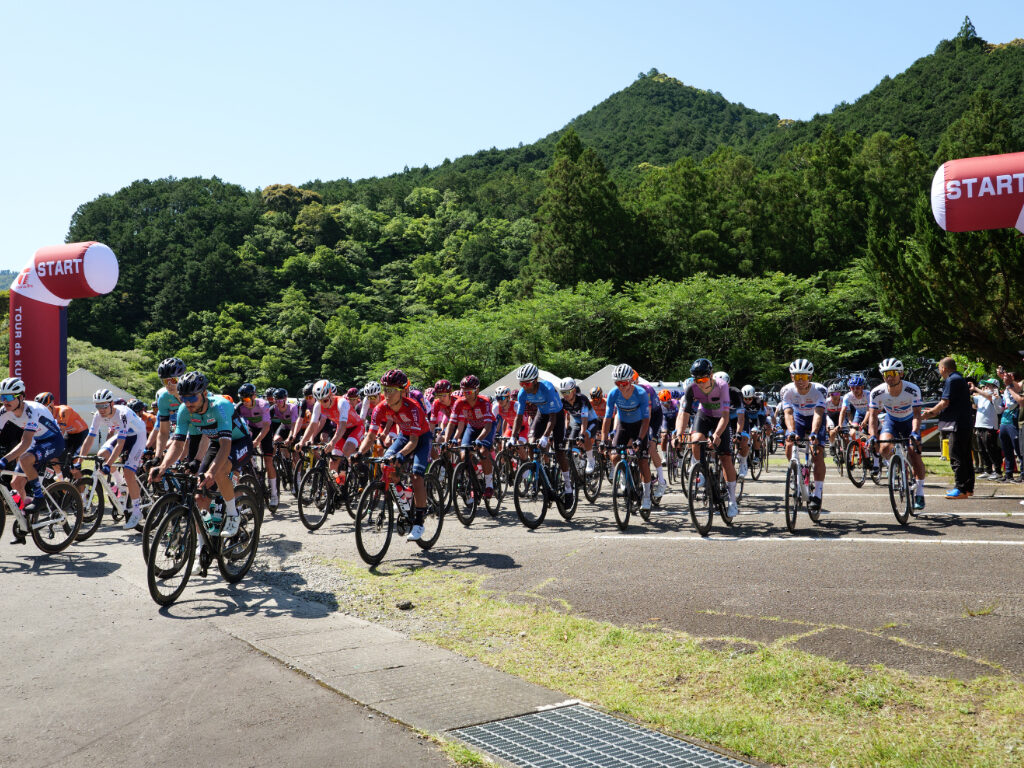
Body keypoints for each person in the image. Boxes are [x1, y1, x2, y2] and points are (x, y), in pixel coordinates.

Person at [0, 377, 65, 539]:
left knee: (25, 458)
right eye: (1, 397)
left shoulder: (32, 410)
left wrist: (4, 460)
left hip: (53, 440)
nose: (4, 401)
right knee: (15, 483)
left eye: (8, 397)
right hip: (37, 440)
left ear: (21, 397)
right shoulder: (4, 411)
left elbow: (25, 442)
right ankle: (25, 517)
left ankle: (39, 497)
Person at [868, 358, 927, 510]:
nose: (890, 376)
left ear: (900, 373)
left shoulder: (912, 389)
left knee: (914, 453)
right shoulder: (877, 392)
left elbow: (917, 415)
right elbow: (873, 417)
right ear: (882, 375)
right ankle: (892, 464)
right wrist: (873, 436)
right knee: (883, 448)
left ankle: (919, 493)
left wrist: (914, 432)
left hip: (910, 422)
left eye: (893, 373)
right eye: (886, 373)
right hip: (891, 421)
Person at [922, 357, 975, 498]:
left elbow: (944, 402)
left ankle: (960, 489)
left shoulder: (951, 380)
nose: (939, 371)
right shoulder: (959, 378)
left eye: (939, 368)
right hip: (965, 423)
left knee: (956, 456)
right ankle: (968, 488)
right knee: (965, 457)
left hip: (957, 424)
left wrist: (930, 413)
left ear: (943, 368)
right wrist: (933, 409)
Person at [971, 378, 1003, 479]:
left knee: (991, 449)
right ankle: (988, 470)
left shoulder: (995, 396)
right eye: (986, 385)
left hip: (989, 425)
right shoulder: (981, 396)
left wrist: (975, 388)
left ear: (995, 387)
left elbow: (989, 397)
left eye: (989, 385)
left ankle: (997, 471)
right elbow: (973, 404)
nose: (986, 387)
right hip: (980, 425)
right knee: (982, 449)